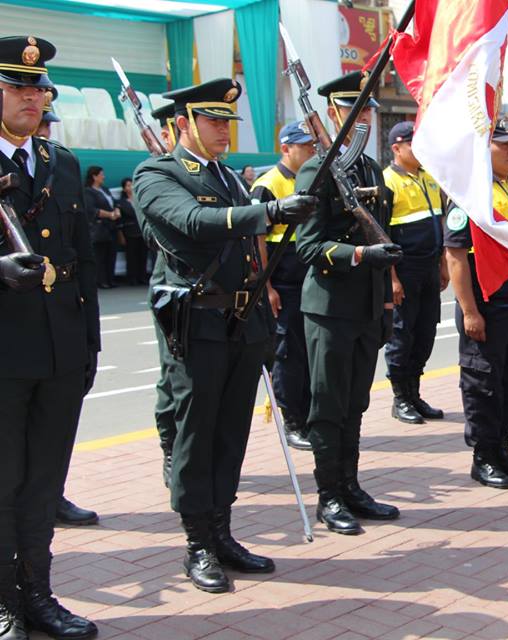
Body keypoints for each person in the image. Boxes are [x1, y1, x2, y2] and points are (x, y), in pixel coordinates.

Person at [134, 78, 317, 592]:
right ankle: (197, 543)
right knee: (197, 434)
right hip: (197, 324)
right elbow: (194, 221)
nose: (223, 130)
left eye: (226, 122)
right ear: (182, 124)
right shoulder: (158, 174)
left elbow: (249, 246)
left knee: (231, 432)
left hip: (241, 322)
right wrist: (271, 211)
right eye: (213, 121)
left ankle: (222, 532)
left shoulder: (229, 177)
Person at [0, 35, 101, 640]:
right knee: (2, 482)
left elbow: (82, 260)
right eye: (16, 86)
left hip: (60, 349)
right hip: (3, 355)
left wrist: (89, 344)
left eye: (38, 89)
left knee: (43, 482)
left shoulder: (59, 163)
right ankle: (4, 603)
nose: (31, 97)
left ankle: (38, 593)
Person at [295, 71, 402, 535]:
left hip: (366, 305)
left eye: (368, 111)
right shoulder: (315, 170)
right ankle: (329, 496)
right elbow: (307, 246)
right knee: (328, 404)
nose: (364, 120)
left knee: (356, 402)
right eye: (353, 110)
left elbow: (381, 234)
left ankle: (350, 486)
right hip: (330, 306)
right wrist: (358, 255)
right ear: (332, 113)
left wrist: (386, 299)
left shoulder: (370, 170)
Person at [445, 116, 508, 489]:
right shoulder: (469, 192)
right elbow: (456, 256)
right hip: (485, 308)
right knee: (483, 384)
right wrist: (469, 311)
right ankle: (483, 457)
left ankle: (503, 448)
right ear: (483, 149)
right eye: (503, 144)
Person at [250, 121, 317, 451]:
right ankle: (292, 422)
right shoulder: (267, 185)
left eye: (312, 145)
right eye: (304, 146)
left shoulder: (313, 179)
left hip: (310, 282)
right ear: (286, 148)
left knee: (309, 355)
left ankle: (308, 417)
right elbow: (257, 239)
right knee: (288, 356)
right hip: (284, 284)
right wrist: (267, 288)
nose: (311, 151)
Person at [382, 120, 447, 424]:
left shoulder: (429, 178)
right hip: (404, 269)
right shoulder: (387, 182)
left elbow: (440, 223)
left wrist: (443, 263)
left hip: (429, 267)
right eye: (413, 144)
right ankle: (400, 399)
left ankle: (414, 393)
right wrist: (392, 278)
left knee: (425, 333)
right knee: (401, 335)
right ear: (397, 148)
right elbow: (381, 235)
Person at [145, 101, 178, 486]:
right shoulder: (154, 176)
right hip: (169, 286)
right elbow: (154, 235)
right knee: (172, 371)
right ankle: (171, 446)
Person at [83, 165, 120, 289]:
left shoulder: (105, 189)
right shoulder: (88, 191)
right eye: (101, 174)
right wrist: (110, 215)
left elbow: (114, 202)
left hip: (111, 227)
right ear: (94, 176)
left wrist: (116, 210)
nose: (103, 177)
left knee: (111, 255)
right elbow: (91, 210)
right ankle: (101, 280)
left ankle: (110, 279)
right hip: (99, 228)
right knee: (100, 256)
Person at [117, 177, 147, 285]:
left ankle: (142, 276)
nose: (131, 187)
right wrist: (121, 234)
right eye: (128, 185)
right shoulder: (121, 202)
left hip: (142, 231)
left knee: (143, 256)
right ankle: (132, 277)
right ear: (124, 188)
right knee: (131, 256)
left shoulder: (140, 199)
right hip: (129, 232)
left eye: (132, 185)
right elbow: (120, 220)